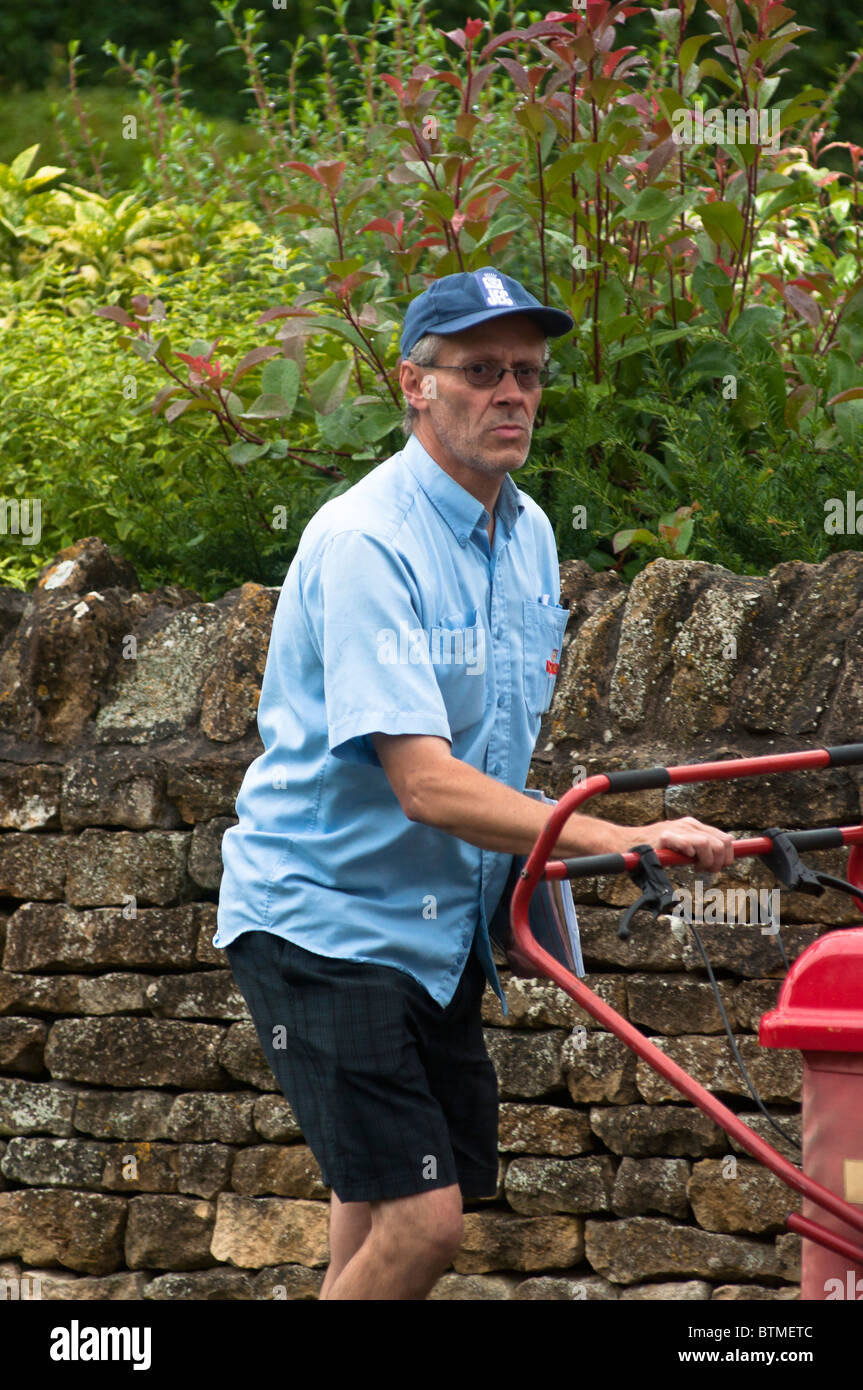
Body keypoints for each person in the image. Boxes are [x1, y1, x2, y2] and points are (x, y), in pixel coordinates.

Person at [215, 266, 735, 1300]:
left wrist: (522, 892)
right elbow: (425, 783)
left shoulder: (529, 534)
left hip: (433, 931)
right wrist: (622, 838)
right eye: (480, 370)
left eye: (528, 373)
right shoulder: (366, 541)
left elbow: (495, 750)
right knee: (425, 1222)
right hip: (322, 924)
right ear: (415, 383)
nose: (511, 393)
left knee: (367, 1217)